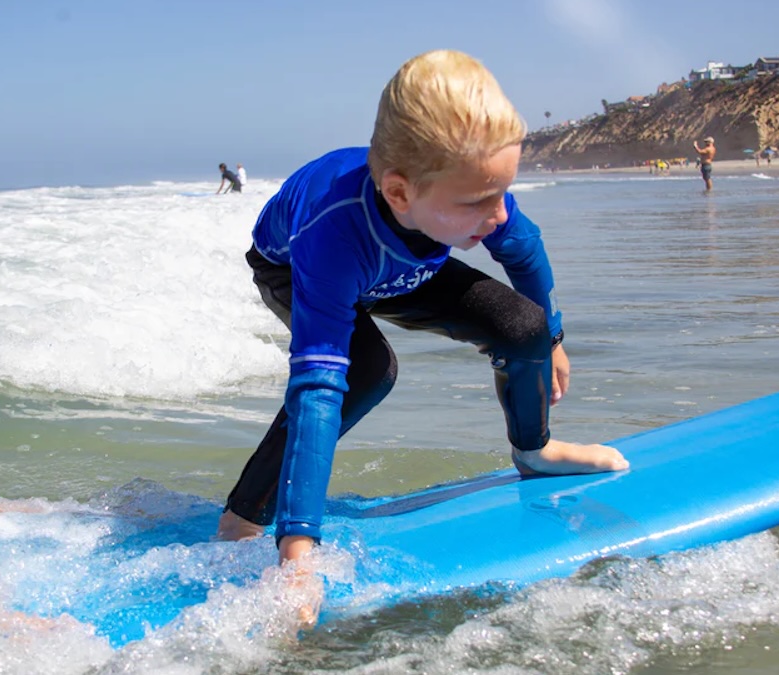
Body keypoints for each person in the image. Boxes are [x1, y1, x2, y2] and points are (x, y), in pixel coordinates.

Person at [216, 50, 628, 616]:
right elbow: (316, 388)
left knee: (522, 326)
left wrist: (551, 339)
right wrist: (298, 549)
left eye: (501, 193)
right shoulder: (332, 232)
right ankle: (244, 513)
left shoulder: (464, 195)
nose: (499, 215)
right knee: (366, 371)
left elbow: (526, 255)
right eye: (480, 202)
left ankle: (534, 451)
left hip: (408, 257)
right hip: (301, 267)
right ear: (400, 192)